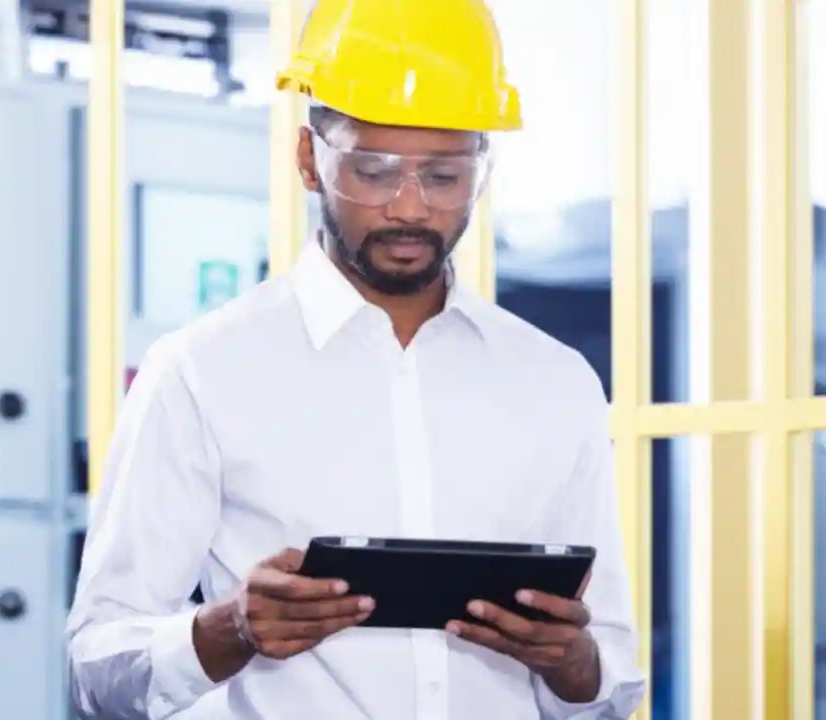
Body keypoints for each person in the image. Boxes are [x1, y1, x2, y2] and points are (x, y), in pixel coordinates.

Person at [66, 0, 646, 718]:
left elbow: (609, 685)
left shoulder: (555, 385)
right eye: (373, 172)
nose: (410, 208)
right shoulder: (202, 371)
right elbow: (97, 669)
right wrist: (231, 629)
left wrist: (574, 662)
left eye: (444, 177)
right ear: (310, 159)